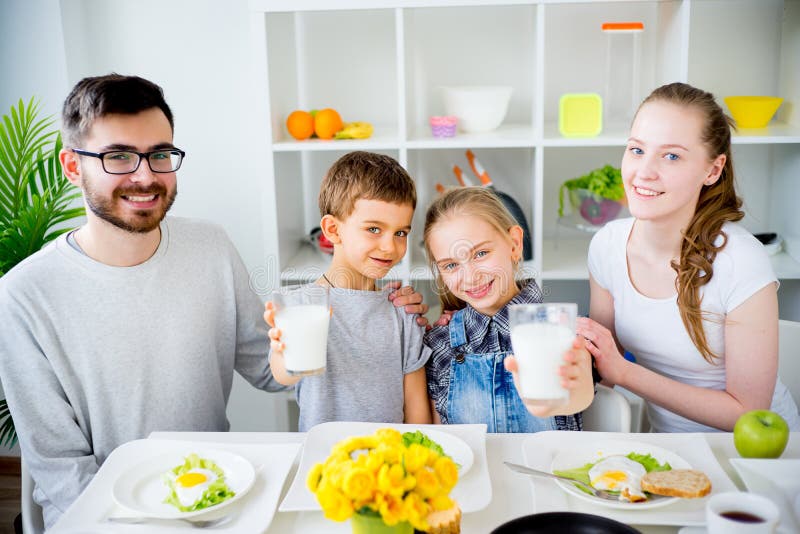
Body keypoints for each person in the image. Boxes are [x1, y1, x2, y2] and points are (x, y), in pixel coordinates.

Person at [0, 75, 428, 528]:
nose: (145, 176)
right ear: (72, 166)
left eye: (160, 154)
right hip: (106, 517)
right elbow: (61, 470)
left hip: (216, 494)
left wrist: (375, 316)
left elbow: (272, 370)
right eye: (118, 156)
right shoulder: (25, 295)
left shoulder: (210, 246)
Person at [576, 82, 800, 433]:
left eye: (671, 156)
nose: (644, 172)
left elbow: (748, 412)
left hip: (758, 454)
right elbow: (601, 362)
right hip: (670, 448)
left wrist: (624, 372)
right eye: (637, 150)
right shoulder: (606, 247)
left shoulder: (741, 261)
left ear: (713, 170)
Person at [265, 151, 432, 431]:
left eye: (400, 233)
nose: (390, 247)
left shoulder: (402, 312)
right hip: (324, 465)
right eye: (374, 229)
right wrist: (283, 351)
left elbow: (418, 413)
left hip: (388, 465)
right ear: (333, 230)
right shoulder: (300, 306)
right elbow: (282, 374)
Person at [423, 187, 596, 432]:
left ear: (515, 244)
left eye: (481, 253)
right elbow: (441, 440)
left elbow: (580, 397)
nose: (471, 277)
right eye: (451, 265)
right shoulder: (438, 342)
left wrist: (556, 401)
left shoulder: (563, 330)